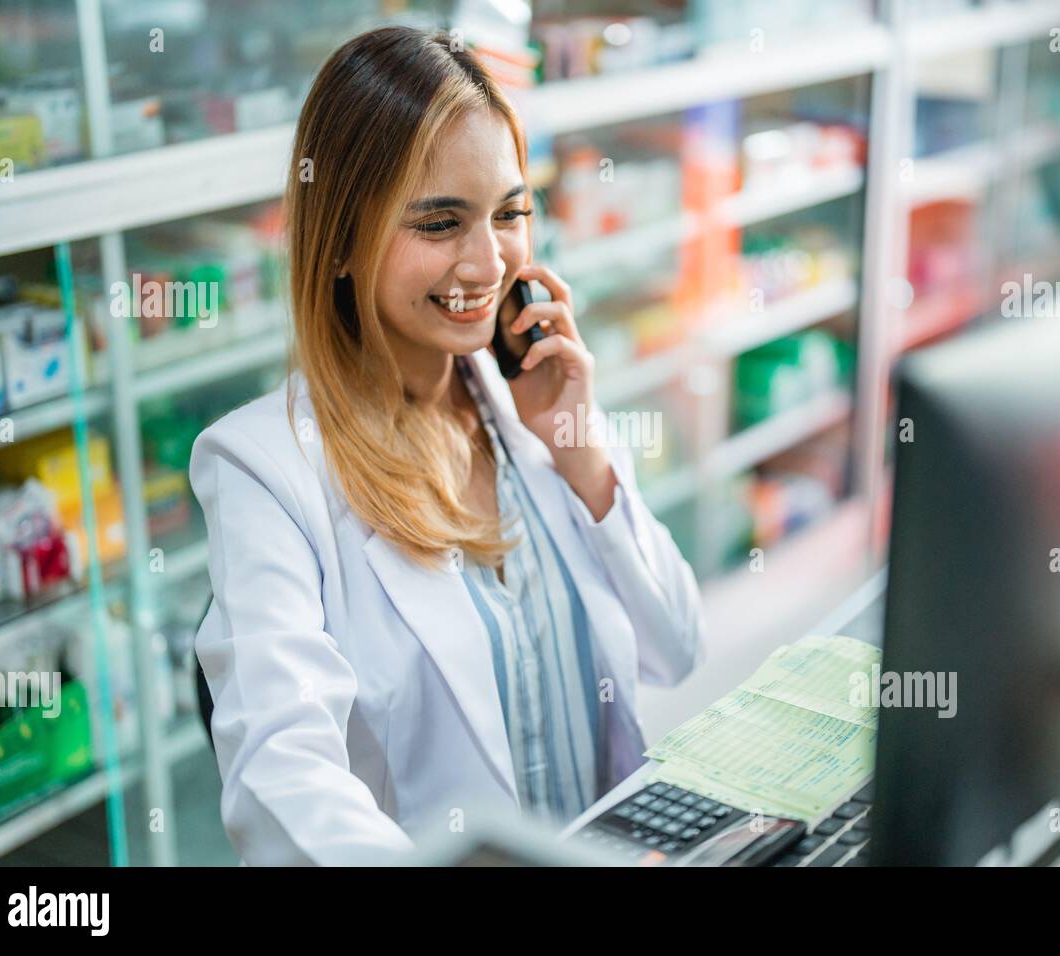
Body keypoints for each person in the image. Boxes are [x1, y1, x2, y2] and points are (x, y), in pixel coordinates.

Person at [190, 25, 706, 865]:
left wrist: (579, 451)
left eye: (510, 214)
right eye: (440, 223)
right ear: (342, 240)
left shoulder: (529, 400)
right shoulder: (262, 469)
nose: (487, 263)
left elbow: (677, 649)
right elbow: (280, 780)